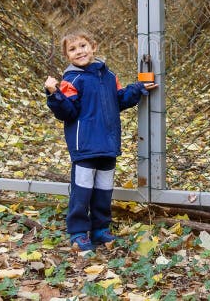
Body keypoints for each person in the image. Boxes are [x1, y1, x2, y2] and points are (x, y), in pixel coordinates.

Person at [45, 29, 157, 251]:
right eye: (73, 49)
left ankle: (100, 229)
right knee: (82, 190)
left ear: (93, 47)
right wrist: (54, 94)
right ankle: (78, 232)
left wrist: (137, 88)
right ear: (67, 56)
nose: (79, 52)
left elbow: (119, 100)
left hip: (107, 144)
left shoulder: (109, 76)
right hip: (85, 145)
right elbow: (67, 112)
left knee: (103, 190)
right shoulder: (71, 80)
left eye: (83, 46)